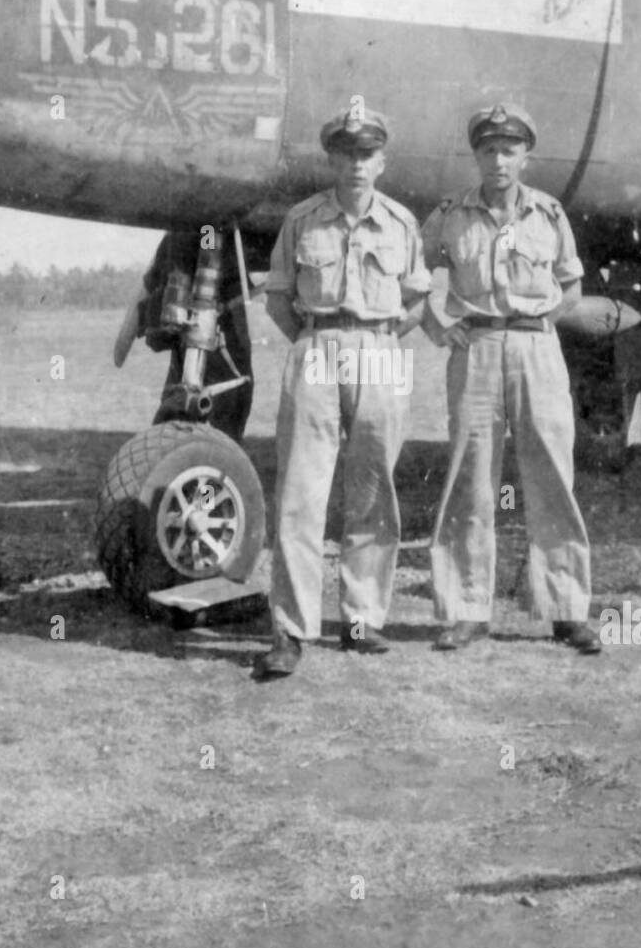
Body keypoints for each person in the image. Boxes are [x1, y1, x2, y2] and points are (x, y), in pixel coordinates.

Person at [254, 106, 431, 679]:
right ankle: (291, 630)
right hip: (316, 347)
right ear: (331, 158)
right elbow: (280, 298)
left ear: (382, 161)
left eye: (367, 153)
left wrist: (375, 342)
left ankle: (361, 619)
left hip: (380, 350)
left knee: (373, 490)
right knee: (301, 493)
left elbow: (417, 300)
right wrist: (317, 342)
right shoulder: (303, 220)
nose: (356, 164)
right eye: (346, 153)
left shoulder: (402, 224)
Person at [420, 103, 599, 654]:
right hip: (475, 346)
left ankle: (567, 609)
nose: (498, 160)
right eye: (489, 149)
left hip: (536, 348)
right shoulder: (451, 213)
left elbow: (570, 283)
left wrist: (540, 319)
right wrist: (436, 324)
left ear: (525, 155)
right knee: (470, 477)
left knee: (551, 473)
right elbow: (412, 274)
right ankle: (467, 609)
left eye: (509, 149)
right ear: (476, 154)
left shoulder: (548, 214)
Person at [112, 229, 254, 442]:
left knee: (182, 413)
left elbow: (148, 284)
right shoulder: (198, 235)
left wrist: (123, 342)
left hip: (200, 345)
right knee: (221, 418)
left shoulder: (179, 235)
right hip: (217, 347)